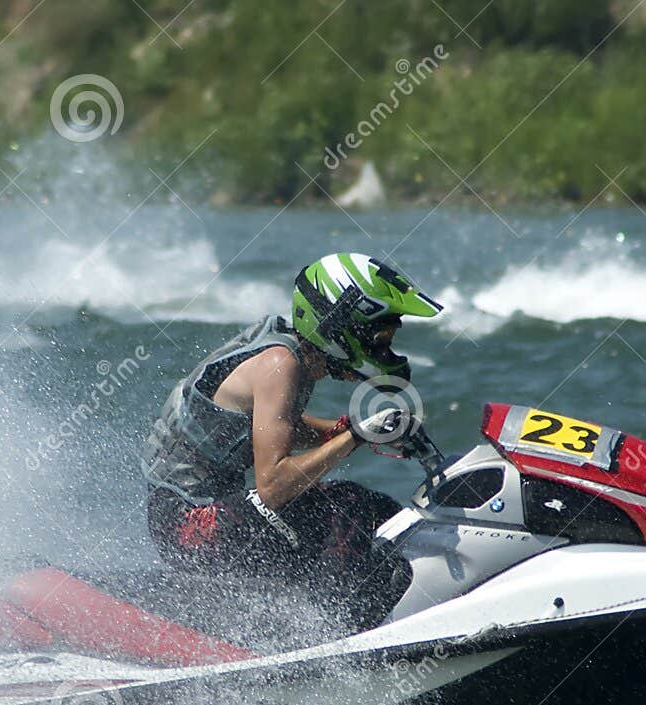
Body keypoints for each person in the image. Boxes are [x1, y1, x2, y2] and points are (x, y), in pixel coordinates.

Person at [141, 253, 443, 619]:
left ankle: (411, 605)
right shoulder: (279, 365)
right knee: (345, 509)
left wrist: (341, 431)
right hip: (187, 527)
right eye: (379, 338)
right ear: (340, 326)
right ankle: (336, 632)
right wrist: (356, 438)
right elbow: (272, 486)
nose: (385, 350)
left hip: (212, 515)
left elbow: (272, 426)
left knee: (379, 509)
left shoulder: (290, 353)